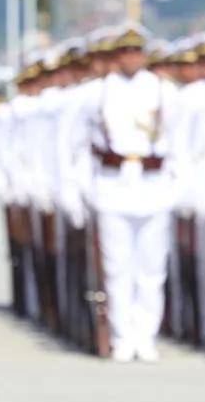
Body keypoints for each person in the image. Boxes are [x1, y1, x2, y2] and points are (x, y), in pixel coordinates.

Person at [68, 24, 179, 363]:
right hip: (112, 186)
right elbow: (78, 144)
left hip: (154, 186)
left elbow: (180, 144)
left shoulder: (163, 90)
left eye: (136, 51)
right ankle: (121, 335)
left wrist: (177, 186)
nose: (131, 57)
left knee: (152, 268)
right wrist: (82, 189)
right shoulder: (98, 92)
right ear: (116, 56)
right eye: (125, 52)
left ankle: (146, 334)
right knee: (117, 267)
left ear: (143, 55)